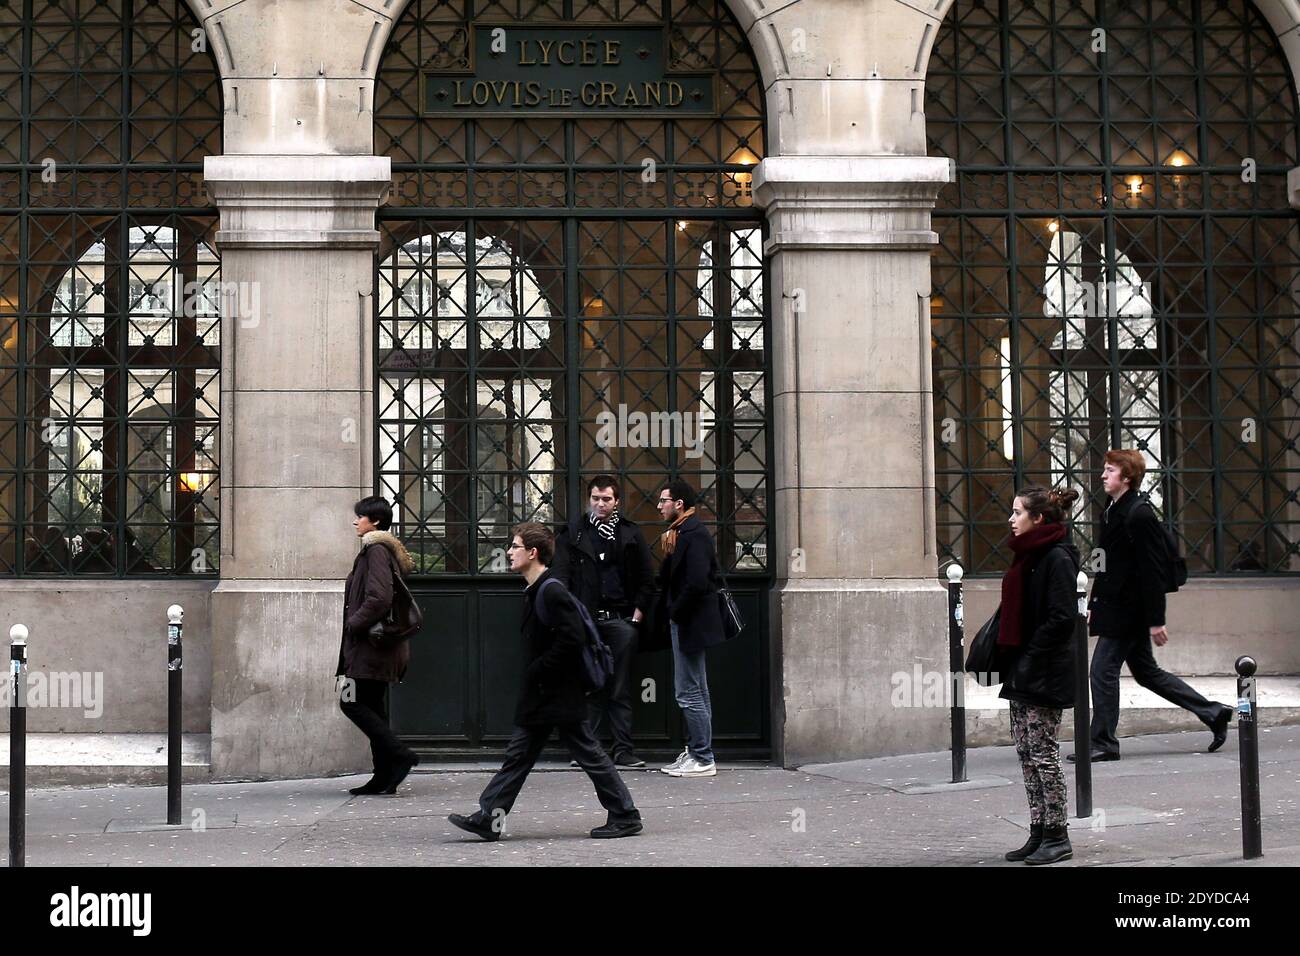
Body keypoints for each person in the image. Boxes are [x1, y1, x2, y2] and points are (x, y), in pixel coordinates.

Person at [448, 522, 643, 841]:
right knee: (520, 756)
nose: (509, 552)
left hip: (556, 692)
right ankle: (489, 816)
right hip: (545, 693)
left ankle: (625, 814)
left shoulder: (551, 590)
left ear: (533, 552)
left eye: (515, 546)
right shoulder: (538, 588)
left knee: (586, 753)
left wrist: (539, 668)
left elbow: (572, 639)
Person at [1074, 449, 1233, 762]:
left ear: (1127, 477)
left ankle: (1104, 742)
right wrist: (1094, 600)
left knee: (1102, 671)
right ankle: (1214, 713)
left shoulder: (1139, 514)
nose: (1103, 476)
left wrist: (1156, 620)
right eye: (1104, 470)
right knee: (1147, 673)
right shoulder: (1112, 508)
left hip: (1131, 610)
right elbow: (1106, 561)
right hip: (1115, 605)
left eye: (1109, 471)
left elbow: (1152, 571)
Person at [999, 486, 1081, 865]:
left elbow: (1062, 618)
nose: (1011, 519)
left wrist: (1031, 654)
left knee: (1044, 753)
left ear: (1038, 519)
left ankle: (1057, 834)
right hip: (1024, 665)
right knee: (1026, 753)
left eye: (1017, 513)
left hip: (1045, 669)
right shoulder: (1027, 556)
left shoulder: (1057, 558)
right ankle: (1037, 830)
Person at [550, 475, 655, 768]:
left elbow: (648, 581)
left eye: (606, 499)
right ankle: (588, 750)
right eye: (595, 498)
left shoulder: (630, 534)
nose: (600, 504)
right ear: (589, 498)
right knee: (589, 684)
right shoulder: (573, 534)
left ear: (616, 501)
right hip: (586, 623)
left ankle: (623, 751)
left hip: (621, 621)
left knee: (620, 688)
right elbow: (560, 579)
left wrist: (636, 615)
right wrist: (573, 618)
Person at [336, 496, 420, 796]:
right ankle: (384, 775)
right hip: (375, 646)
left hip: (372, 646)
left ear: (375, 521)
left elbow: (379, 598)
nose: (355, 521)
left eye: (360, 516)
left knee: (351, 702)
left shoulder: (376, 551)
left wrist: (353, 624)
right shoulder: (377, 551)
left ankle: (400, 755)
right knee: (373, 707)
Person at [654, 479, 725, 778]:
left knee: (688, 692)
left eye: (664, 501)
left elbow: (696, 582)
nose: (659, 506)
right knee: (698, 689)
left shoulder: (693, 534)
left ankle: (702, 756)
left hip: (689, 622)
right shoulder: (681, 532)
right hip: (689, 621)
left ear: (678, 504)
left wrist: (674, 612)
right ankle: (698, 750)